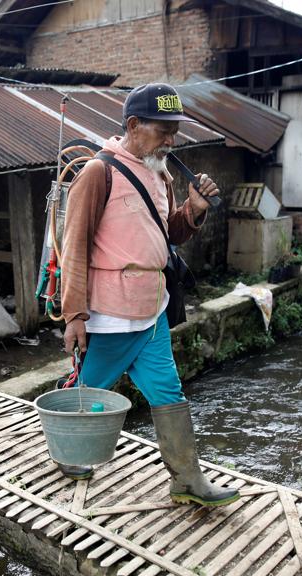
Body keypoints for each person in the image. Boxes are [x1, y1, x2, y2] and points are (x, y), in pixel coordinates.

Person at [60, 83, 239, 507]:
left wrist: (193, 208)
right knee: (91, 386)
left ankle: (187, 480)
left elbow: (168, 235)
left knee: (168, 392)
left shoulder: (159, 173)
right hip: (112, 311)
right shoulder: (97, 173)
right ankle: (68, 454)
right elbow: (75, 245)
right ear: (134, 125)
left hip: (151, 306)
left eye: (174, 131)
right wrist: (74, 315)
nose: (171, 140)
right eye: (164, 130)